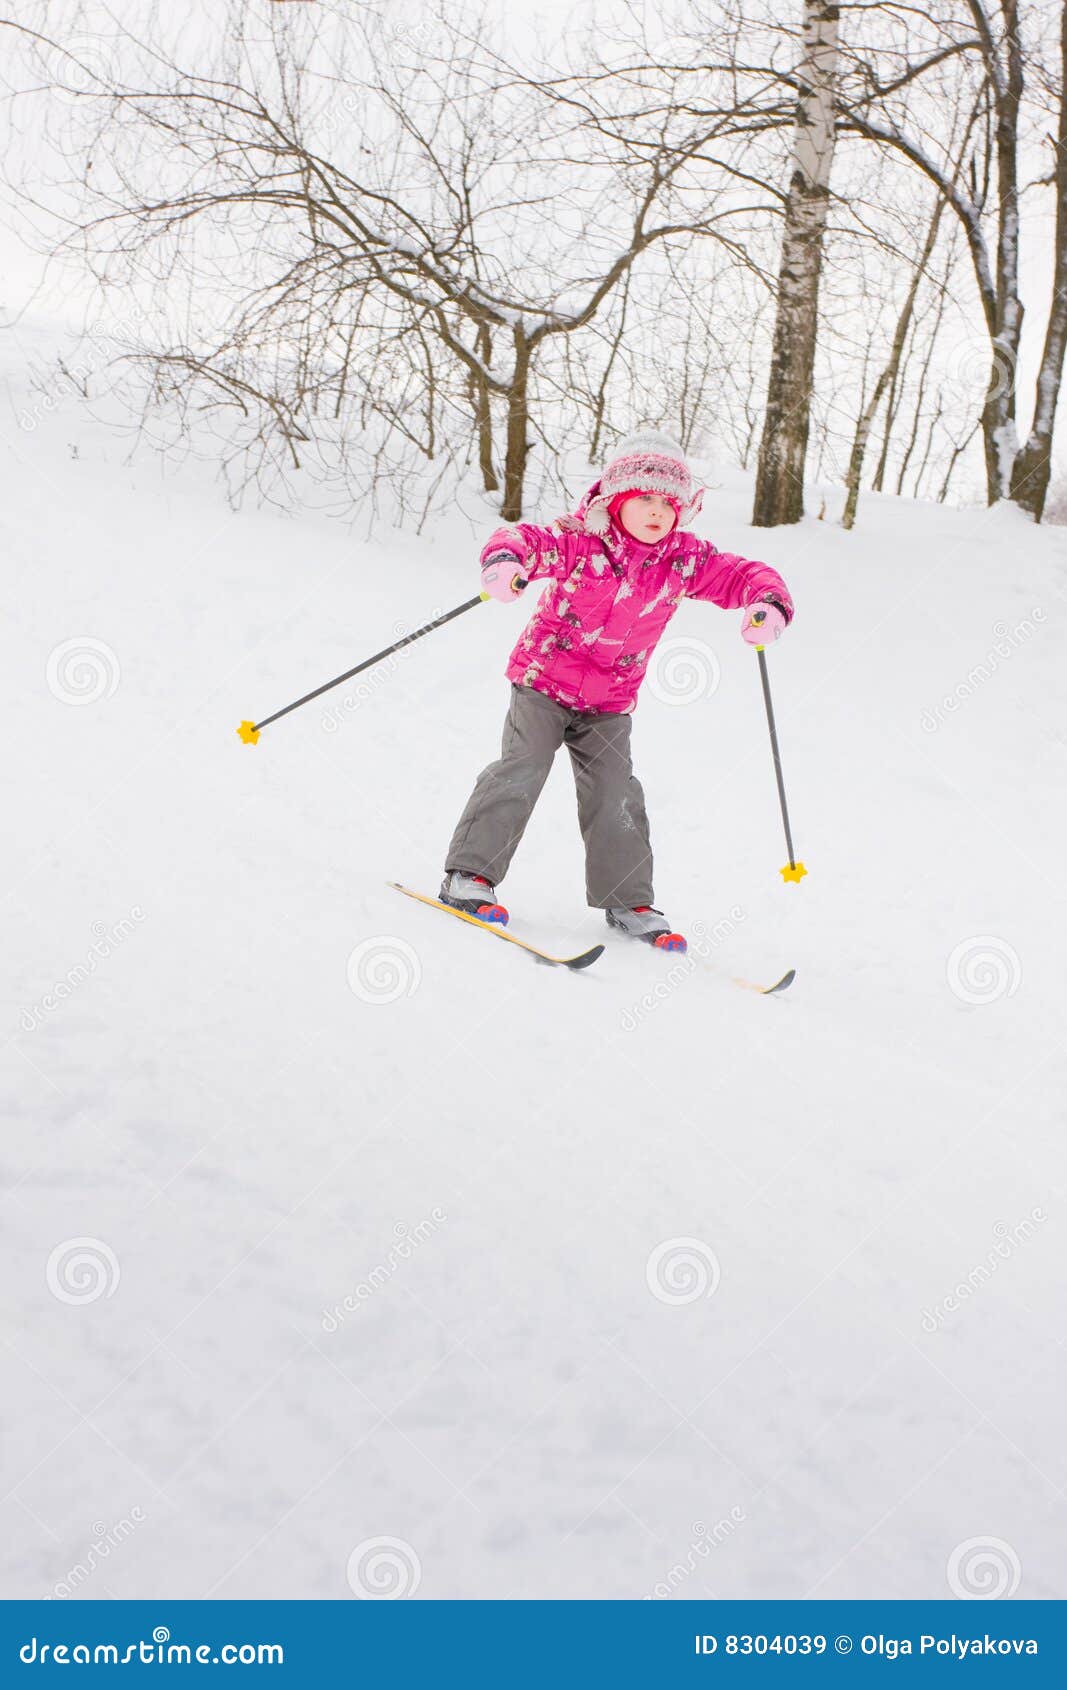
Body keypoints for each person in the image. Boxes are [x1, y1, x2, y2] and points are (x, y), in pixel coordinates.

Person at [440, 433, 793, 952]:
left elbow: (741, 575)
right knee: (523, 766)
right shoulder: (583, 542)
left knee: (616, 793)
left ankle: (628, 901)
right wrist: (507, 565)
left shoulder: (682, 560)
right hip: (543, 682)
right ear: (617, 502)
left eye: (668, 503)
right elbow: (527, 542)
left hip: (609, 703)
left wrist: (767, 603)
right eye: (644, 499)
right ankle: (469, 875)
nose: (657, 513)